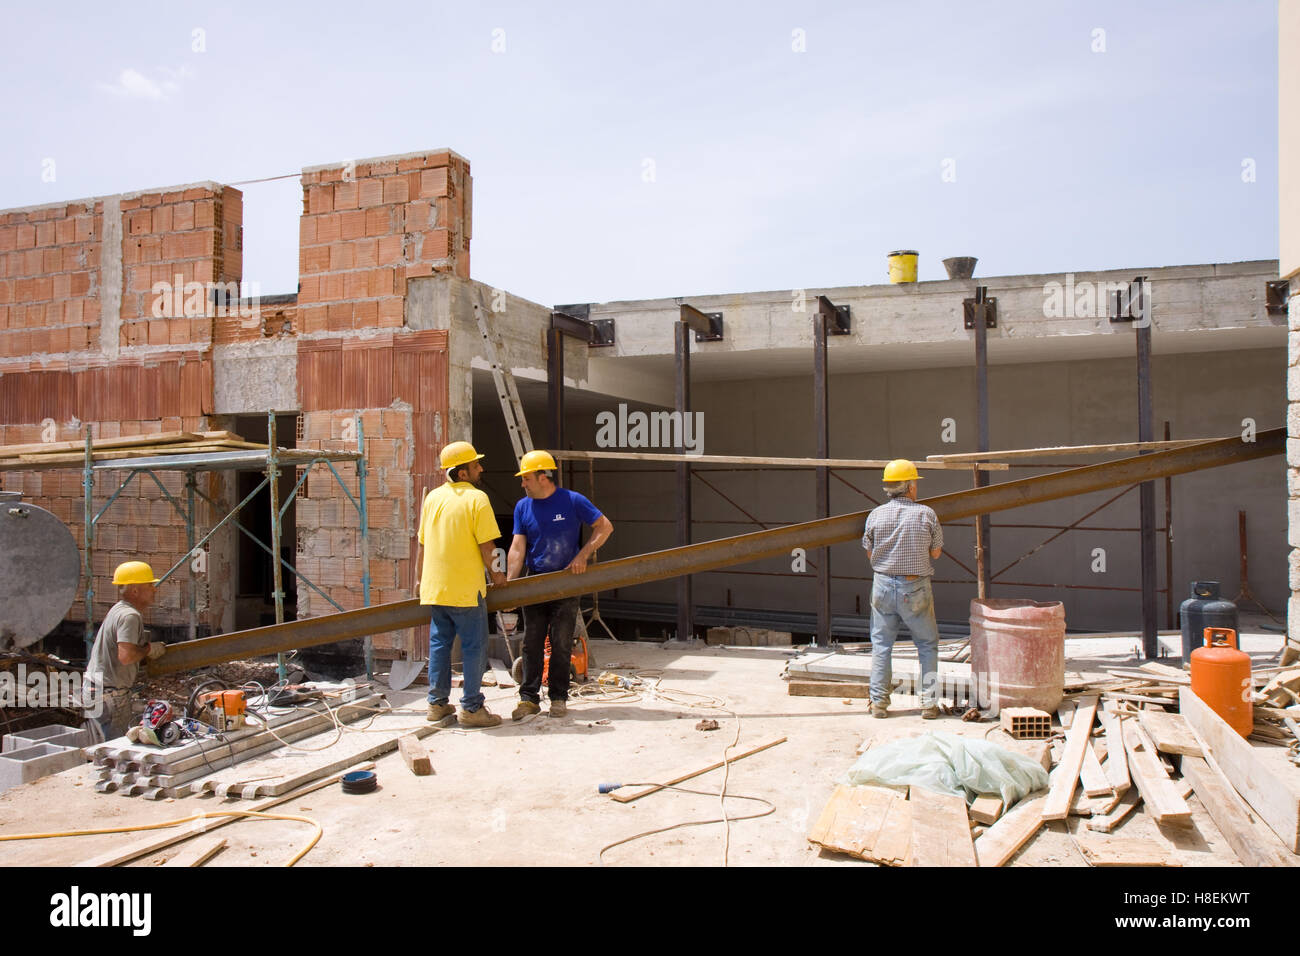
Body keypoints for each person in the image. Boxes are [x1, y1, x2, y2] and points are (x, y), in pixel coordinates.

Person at [506, 450, 613, 720]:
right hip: (536, 581)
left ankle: (558, 698)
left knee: (561, 642)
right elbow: (518, 548)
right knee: (531, 643)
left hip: (567, 583)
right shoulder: (523, 507)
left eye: (526, 478)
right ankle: (528, 699)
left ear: (543, 477)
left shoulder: (572, 501)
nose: (523, 483)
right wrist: (510, 585)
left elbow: (604, 527)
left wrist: (582, 555)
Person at [417, 440, 506, 728]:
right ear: (463, 473)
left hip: (436, 587)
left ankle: (437, 705)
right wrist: (499, 577)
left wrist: (421, 580)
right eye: (475, 464)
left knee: (440, 645)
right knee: (473, 647)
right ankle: (470, 708)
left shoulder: (432, 498)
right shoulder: (477, 499)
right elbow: (487, 546)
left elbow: (422, 544)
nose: (481, 468)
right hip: (466, 589)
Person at [862, 459, 944, 720]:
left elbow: (870, 552)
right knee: (927, 645)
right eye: (915, 484)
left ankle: (878, 704)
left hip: (883, 585)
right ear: (909, 487)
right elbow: (937, 552)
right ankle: (929, 705)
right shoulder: (926, 514)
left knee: (882, 645)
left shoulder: (875, 515)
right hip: (915, 587)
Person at [83, 561, 167, 741]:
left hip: (95, 690)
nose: (155, 589)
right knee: (117, 751)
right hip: (109, 695)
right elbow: (126, 656)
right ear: (135, 590)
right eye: (150, 585)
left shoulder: (118, 610)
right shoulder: (130, 616)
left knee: (102, 749)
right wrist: (149, 649)